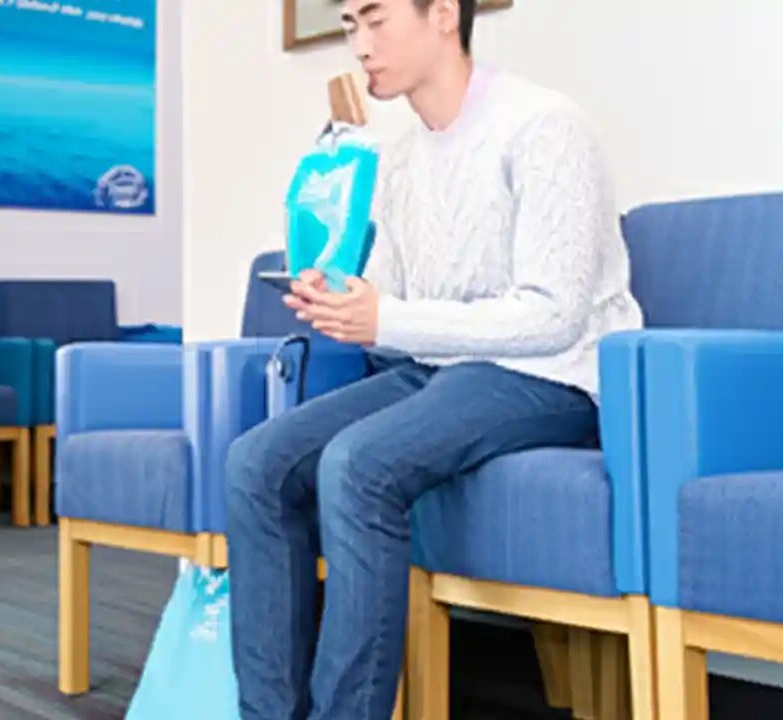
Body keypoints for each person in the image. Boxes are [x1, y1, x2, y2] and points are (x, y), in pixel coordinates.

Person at [224, 0, 645, 718]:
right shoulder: (398, 158)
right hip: (442, 369)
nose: (359, 43)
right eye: (351, 23)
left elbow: (553, 314)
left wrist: (384, 315)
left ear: (444, 13)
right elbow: (401, 315)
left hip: (552, 375)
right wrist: (345, 305)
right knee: (254, 465)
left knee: (357, 465)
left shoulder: (544, 128)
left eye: (376, 19)